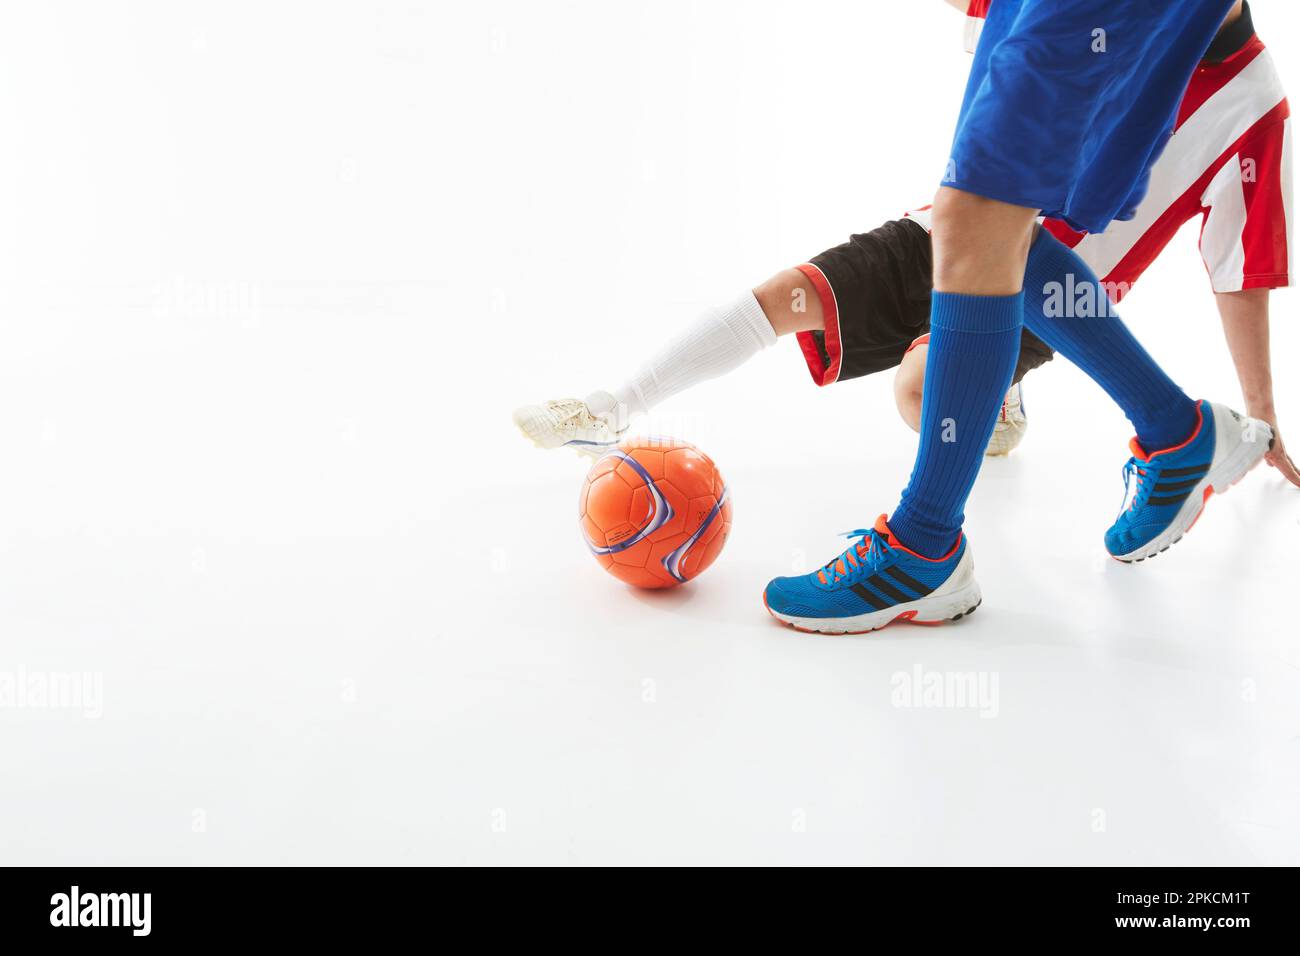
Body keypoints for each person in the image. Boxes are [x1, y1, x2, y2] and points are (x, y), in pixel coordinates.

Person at [759, 0, 1280, 633]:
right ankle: (1176, 432)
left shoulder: (1251, 97)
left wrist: (1266, 408)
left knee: (978, 211)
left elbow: (1242, 271)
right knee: (999, 217)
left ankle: (922, 545)